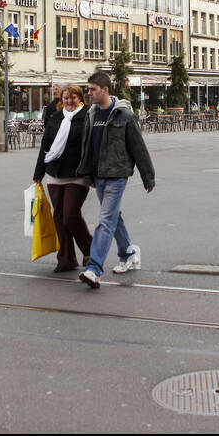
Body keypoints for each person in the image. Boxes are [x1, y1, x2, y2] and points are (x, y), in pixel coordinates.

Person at [76, 72, 155, 288]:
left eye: (92, 89)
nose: (89, 93)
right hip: (99, 175)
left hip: (117, 174)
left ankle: (94, 269)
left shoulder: (123, 115)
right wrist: (88, 173)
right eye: (88, 89)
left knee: (105, 221)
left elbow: (138, 147)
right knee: (113, 217)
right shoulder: (92, 114)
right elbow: (88, 147)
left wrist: (148, 177)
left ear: (105, 90)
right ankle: (128, 253)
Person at [33, 84, 92, 273]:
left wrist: (92, 174)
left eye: (73, 97)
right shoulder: (55, 117)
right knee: (59, 217)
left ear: (80, 98)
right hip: (55, 173)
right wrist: (38, 174)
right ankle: (66, 259)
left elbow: (92, 147)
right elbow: (46, 146)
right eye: (66, 98)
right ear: (61, 100)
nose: (69, 101)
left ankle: (90, 250)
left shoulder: (88, 117)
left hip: (77, 174)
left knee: (70, 215)